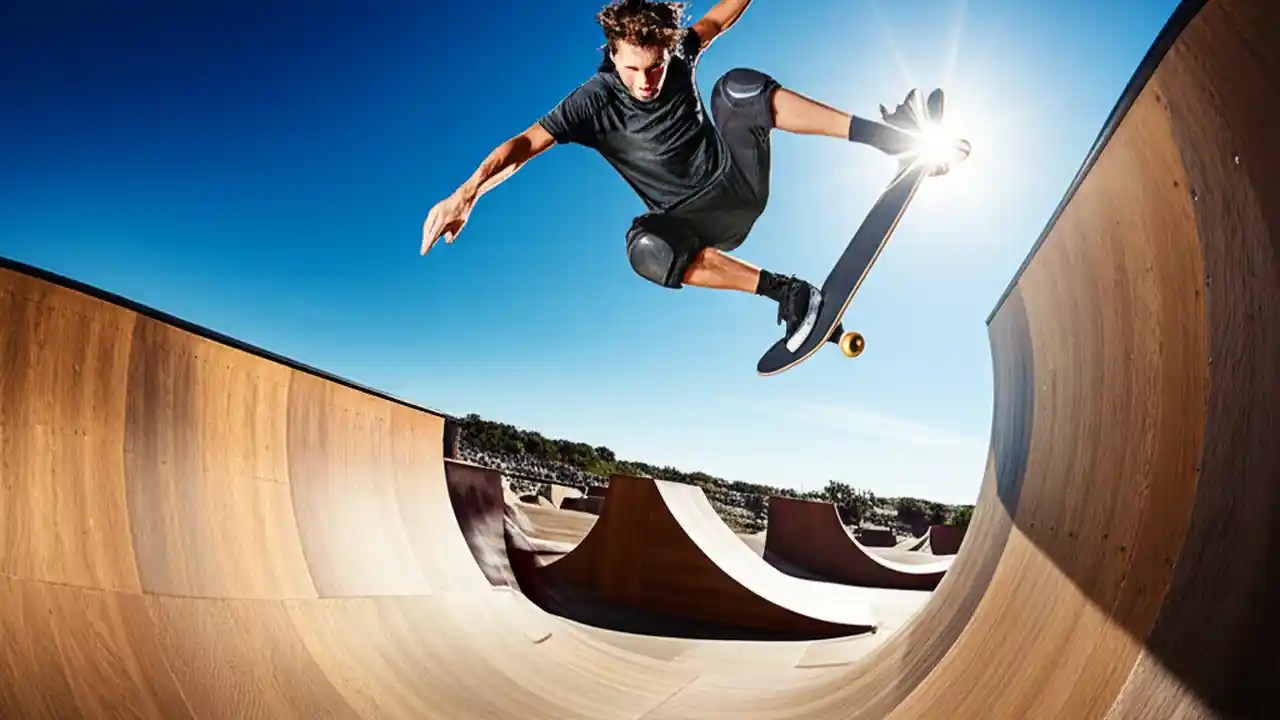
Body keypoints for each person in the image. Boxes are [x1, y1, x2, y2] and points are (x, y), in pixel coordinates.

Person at [421, 0, 938, 348]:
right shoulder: (591, 102)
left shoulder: (682, 52)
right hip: (693, 223)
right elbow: (522, 145)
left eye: (656, 68)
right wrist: (467, 194)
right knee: (644, 248)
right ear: (613, 55)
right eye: (632, 70)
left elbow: (720, 17)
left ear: (669, 51)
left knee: (735, 89)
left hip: (738, 179)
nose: (645, 81)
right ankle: (786, 292)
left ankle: (894, 138)